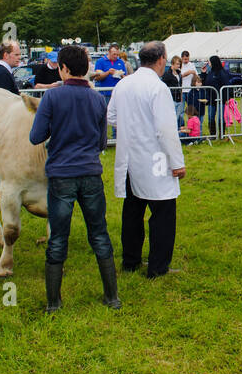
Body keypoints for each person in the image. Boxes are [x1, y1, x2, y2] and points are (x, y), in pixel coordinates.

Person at [28, 45, 118, 312]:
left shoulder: (52, 98)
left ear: (63, 68)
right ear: (87, 68)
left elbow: (36, 137)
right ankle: (112, 297)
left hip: (61, 174)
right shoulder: (97, 100)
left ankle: (54, 303)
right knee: (99, 233)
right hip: (91, 172)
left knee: (58, 237)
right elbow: (102, 141)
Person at [108, 41, 185, 278]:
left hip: (130, 157)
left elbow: (111, 116)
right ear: (162, 59)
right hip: (156, 158)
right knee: (162, 214)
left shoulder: (123, 84)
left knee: (132, 211)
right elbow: (165, 129)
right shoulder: (157, 88)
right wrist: (177, 162)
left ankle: (130, 261)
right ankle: (158, 267)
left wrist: (132, 126)